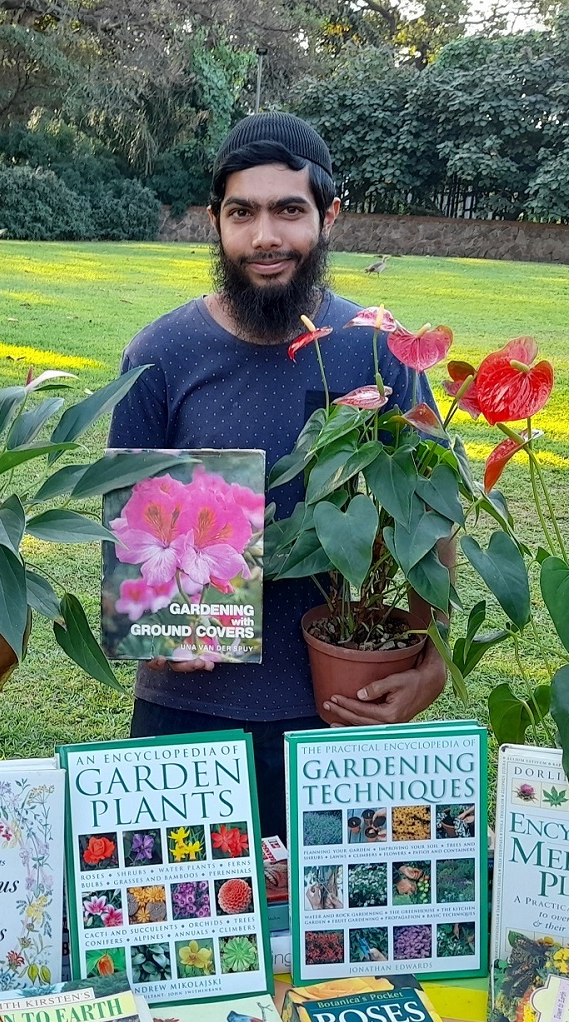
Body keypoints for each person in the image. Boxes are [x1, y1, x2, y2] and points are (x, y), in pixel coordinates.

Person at [108, 113, 449, 838]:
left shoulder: (378, 353)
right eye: (243, 212)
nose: (265, 235)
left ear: (329, 217)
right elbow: (129, 530)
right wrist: (151, 622)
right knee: (187, 931)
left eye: (288, 210)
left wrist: (433, 656)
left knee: (333, 940)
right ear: (216, 222)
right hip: (186, 715)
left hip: (338, 707)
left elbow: (432, 506)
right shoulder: (160, 356)